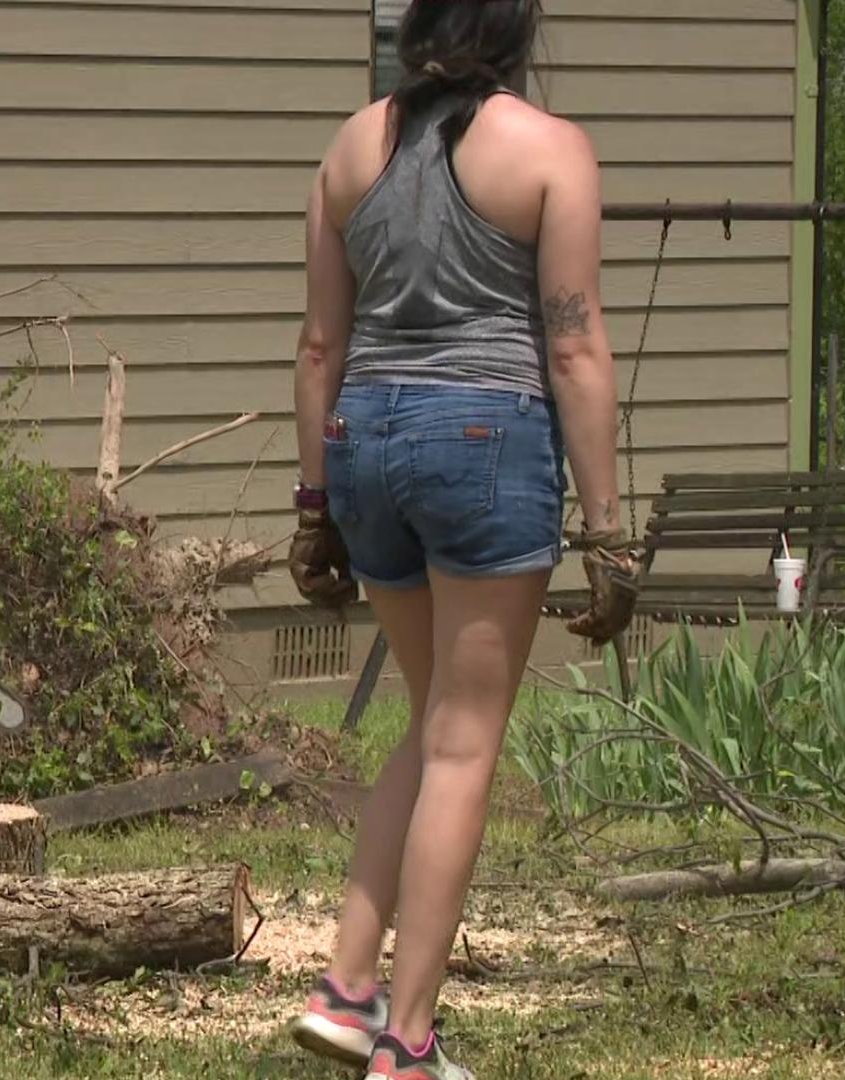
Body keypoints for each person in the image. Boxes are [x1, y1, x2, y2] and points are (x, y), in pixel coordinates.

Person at [283, 3, 642, 1077]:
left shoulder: (353, 145)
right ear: (515, 34)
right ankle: (409, 1040)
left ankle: (347, 990)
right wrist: (611, 536)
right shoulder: (550, 150)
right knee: (464, 741)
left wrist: (313, 509)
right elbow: (573, 348)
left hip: (367, 441)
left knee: (430, 721)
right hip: (484, 438)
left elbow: (318, 344)